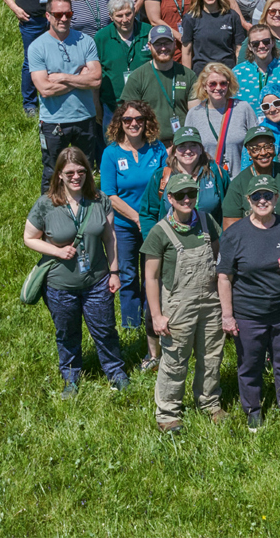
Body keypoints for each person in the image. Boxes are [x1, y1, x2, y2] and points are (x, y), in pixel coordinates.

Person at [25, 147, 129, 399]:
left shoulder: (99, 199)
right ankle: (71, 378)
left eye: (81, 171)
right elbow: (29, 238)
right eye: (70, 172)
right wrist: (57, 251)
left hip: (97, 280)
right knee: (67, 333)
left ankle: (115, 372)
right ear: (59, 174)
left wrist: (114, 272)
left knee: (105, 329)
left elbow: (110, 237)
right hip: (60, 285)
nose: (76, 176)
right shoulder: (46, 205)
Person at [217, 173, 280, 429]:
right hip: (249, 313)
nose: (263, 200)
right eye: (257, 196)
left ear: (277, 198)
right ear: (248, 200)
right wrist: (227, 316)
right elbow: (224, 277)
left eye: (268, 195)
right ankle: (253, 411)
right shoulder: (235, 233)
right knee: (249, 365)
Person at [140, 171, 226, 433]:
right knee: (176, 358)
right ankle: (167, 413)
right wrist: (156, 315)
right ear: (170, 199)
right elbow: (151, 277)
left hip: (210, 300)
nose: (187, 199)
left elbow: (218, 256)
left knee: (211, 355)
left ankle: (210, 402)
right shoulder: (159, 232)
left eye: (192, 194)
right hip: (178, 305)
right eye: (180, 195)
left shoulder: (207, 222)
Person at [99, 101, 167, 364]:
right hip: (125, 226)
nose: (133, 124)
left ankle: (153, 322)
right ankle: (130, 328)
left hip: (155, 225)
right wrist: (138, 217)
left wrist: (151, 219)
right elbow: (109, 194)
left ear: (147, 121)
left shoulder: (157, 149)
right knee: (127, 275)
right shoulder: (111, 154)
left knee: (153, 275)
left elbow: (165, 184)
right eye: (127, 120)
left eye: (138, 119)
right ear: (120, 123)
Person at [29, 0, 103, 189]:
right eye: (58, 15)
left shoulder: (86, 41)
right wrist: (80, 78)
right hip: (54, 122)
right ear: (48, 16)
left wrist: (62, 77)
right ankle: (50, 213)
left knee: (85, 169)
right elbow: (44, 89)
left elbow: (95, 80)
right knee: (52, 172)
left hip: (84, 117)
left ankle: (85, 211)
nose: (63, 19)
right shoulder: (37, 47)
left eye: (68, 14)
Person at [223, 124, 280, 237]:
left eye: (268, 146)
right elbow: (230, 225)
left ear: (274, 148)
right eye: (256, 149)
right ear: (249, 152)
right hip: (253, 244)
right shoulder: (238, 183)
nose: (263, 152)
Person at [138, 127, 232, 230]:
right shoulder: (161, 176)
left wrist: (223, 241)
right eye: (182, 146)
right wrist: (155, 242)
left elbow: (231, 211)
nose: (188, 151)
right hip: (172, 243)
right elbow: (148, 214)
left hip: (210, 241)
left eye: (193, 145)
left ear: (201, 149)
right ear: (174, 151)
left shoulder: (216, 174)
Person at [184, 63, 256, 177]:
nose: (218, 88)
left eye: (223, 83)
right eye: (212, 84)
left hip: (240, 181)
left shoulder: (243, 108)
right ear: (204, 86)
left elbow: (256, 142)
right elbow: (187, 151)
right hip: (208, 181)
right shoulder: (194, 114)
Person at [95, 0, 153, 112]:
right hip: (112, 105)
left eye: (128, 14)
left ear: (134, 12)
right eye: (119, 16)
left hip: (145, 102)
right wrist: (96, 105)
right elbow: (96, 73)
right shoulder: (101, 38)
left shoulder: (148, 32)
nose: (125, 20)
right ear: (111, 17)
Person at [180, 0, 246, 73]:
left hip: (227, 71)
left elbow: (239, 49)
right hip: (201, 73)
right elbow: (186, 52)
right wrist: (188, 78)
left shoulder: (232, 16)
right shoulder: (191, 18)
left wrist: (239, 74)